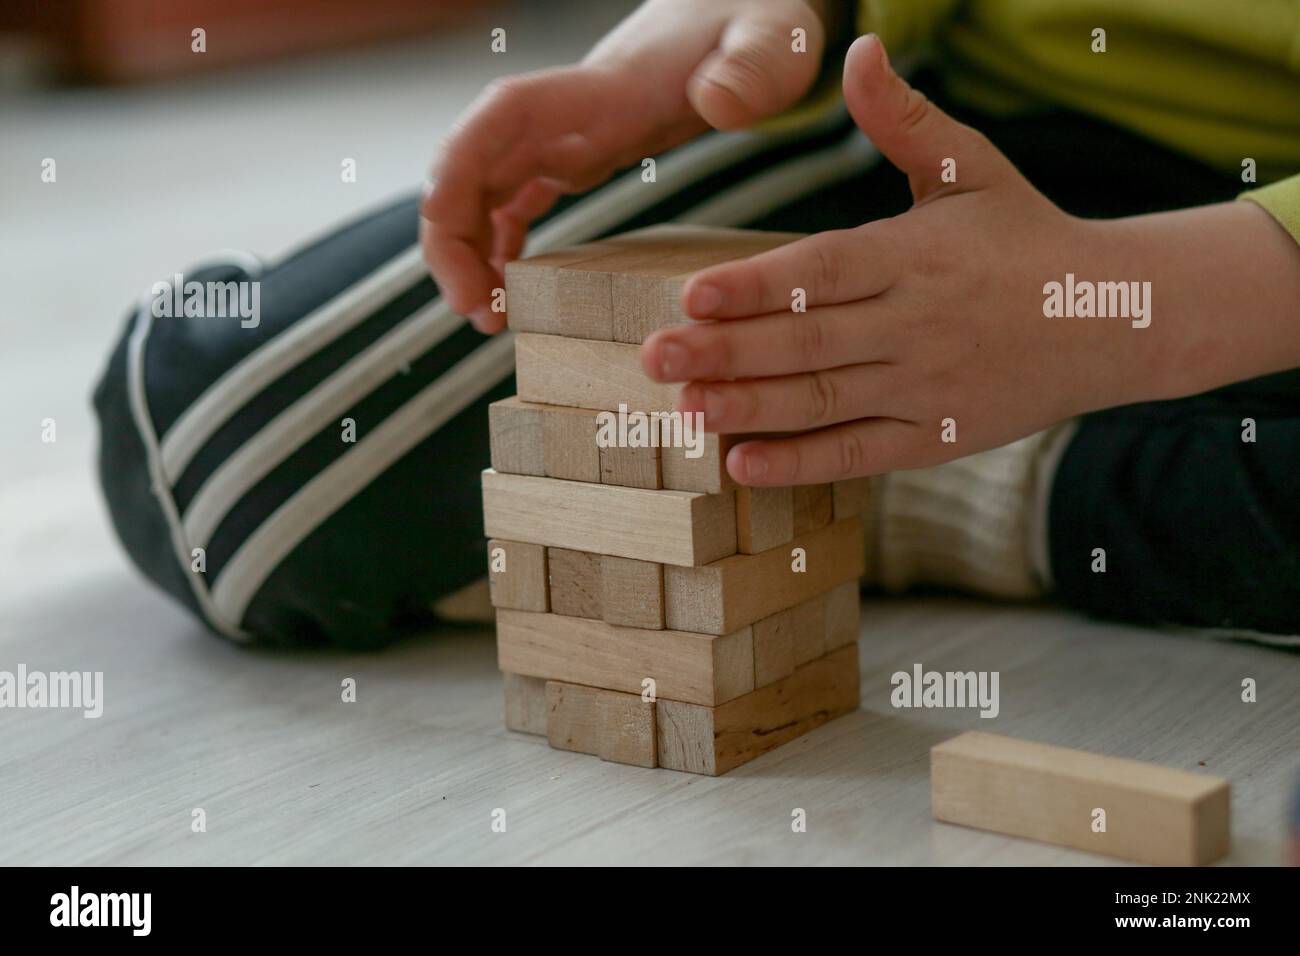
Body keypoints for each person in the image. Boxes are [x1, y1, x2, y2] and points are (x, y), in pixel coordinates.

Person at [95, 0, 1300, 647]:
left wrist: (1133, 310)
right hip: (965, 112)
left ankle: (956, 482)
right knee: (233, 468)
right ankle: (879, 441)